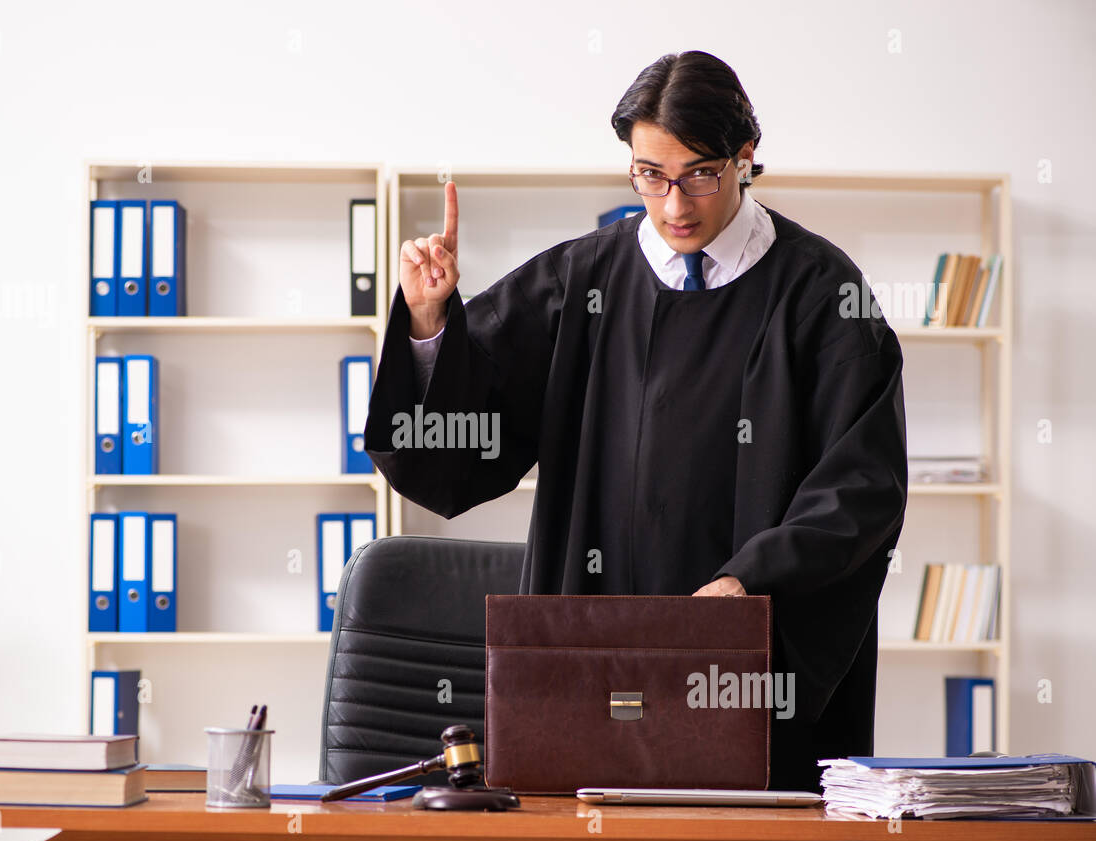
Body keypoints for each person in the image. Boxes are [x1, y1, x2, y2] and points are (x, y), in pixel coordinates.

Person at [363, 50, 908, 792]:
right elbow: (461, 440)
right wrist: (430, 326)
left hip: (745, 664)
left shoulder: (822, 294)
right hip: (593, 653)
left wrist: (748, 582)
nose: (676, 205)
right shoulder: (580, 280)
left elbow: (863, 486)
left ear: (746, 159)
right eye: (651, 175)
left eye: (700, 174)